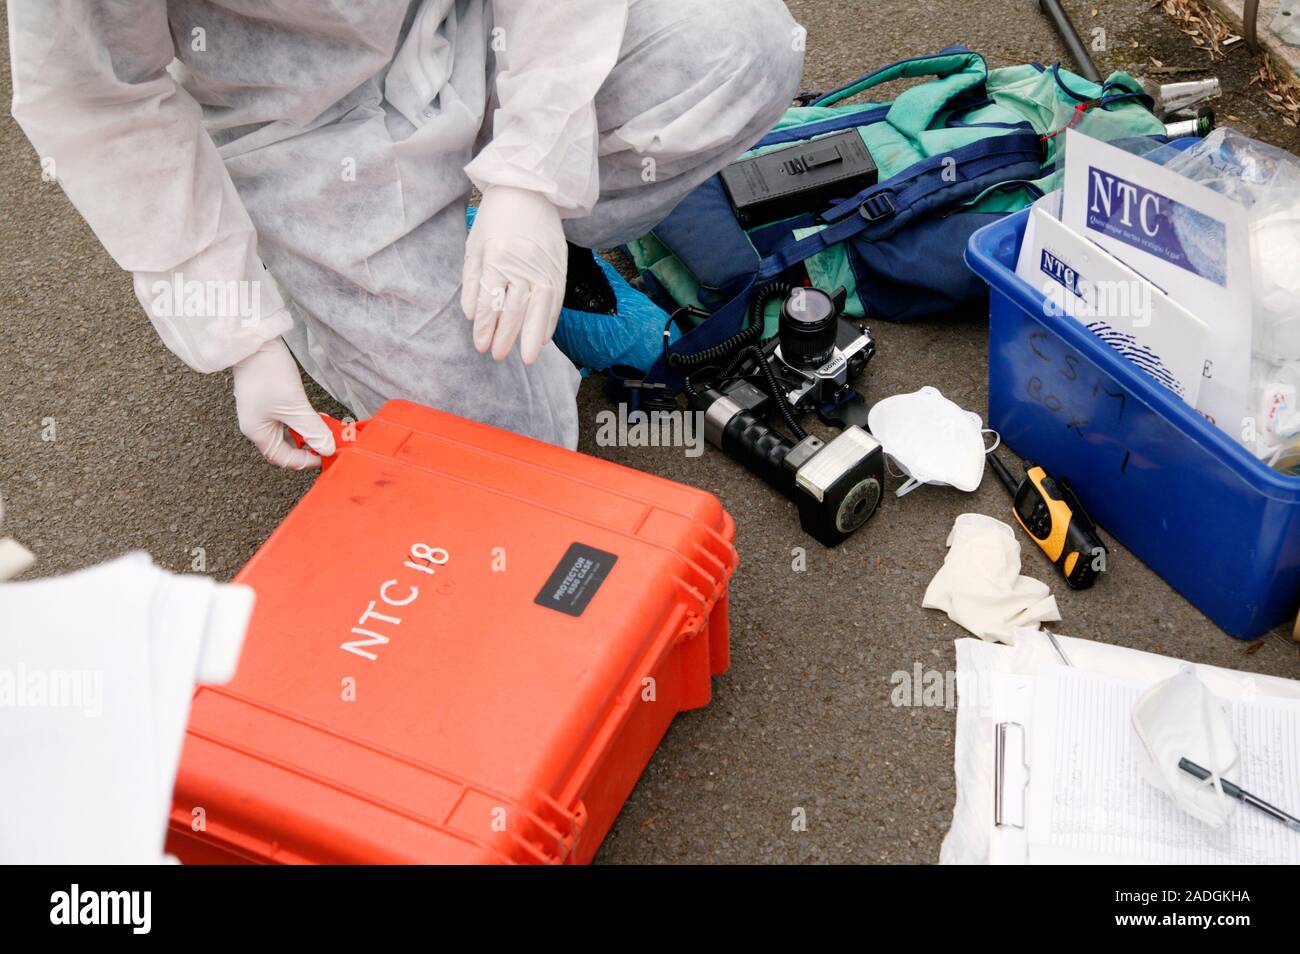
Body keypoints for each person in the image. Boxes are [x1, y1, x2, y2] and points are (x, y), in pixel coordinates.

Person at [9, 0, 803, 467]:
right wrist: (241, 334)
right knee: (514, 462)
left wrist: (530, 177)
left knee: (742, 51)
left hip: (470, 24)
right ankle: (350, 280)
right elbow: (103, 102)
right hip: (302, 130)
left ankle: (511, 237)